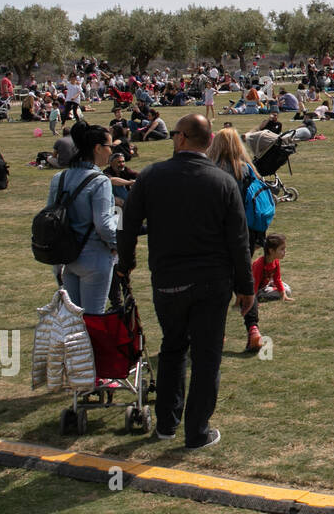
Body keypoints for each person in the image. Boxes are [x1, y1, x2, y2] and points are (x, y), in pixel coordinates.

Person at [116, 114, 255, 449]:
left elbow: (128, 224)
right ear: (207, 142)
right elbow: (239, 240)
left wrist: (126, 264)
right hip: (211, 282)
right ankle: (196, 431)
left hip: (168, 280)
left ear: (181, 138)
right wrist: (246, 287)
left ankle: (167, 424)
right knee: (206, 358)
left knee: (173, 349)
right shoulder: (221, 182)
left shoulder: (151, 177)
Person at [45, 121, 119, 315]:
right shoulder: (100, 181)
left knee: (73, 322)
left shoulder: (59, 178)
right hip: (94, 258)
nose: (111, 152)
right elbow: (103, 225)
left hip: (67, 258)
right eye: (109, 146)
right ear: (97, 148)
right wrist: (118, 246)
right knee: (93, 321)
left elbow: (49, 217)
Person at [206, 126, 268, 351]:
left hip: (217, 233)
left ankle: (218, 333)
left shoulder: (210, 170)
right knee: (245, 280)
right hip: (245, 232)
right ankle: (253, 329)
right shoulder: (246, 169)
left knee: (219, 283)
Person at [253, 233, 294, 302]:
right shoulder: (259, 264)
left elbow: (277, 279)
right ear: (271, 251)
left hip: (266, 284)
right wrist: (254, 301)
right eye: (282, 249)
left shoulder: (276, 261)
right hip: (256, 289)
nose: (284, 251)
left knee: (287, 290)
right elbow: (255, 282)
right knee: (285, 290)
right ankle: (257, 297)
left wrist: (283, 295)